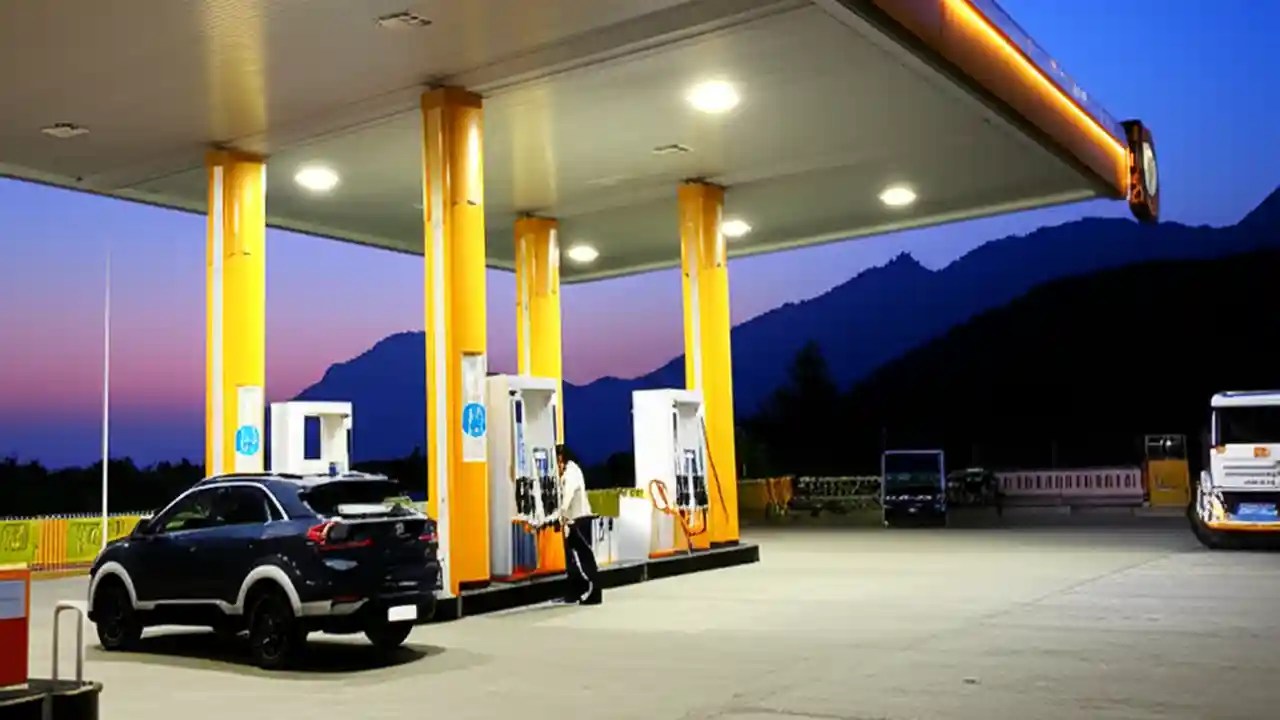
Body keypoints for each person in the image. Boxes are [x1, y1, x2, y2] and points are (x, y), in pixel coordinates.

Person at [556, 444, 601, 605]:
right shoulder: (570, 471)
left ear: (562, 458)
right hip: (573, 520)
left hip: (579, 520)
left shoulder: (571, 472)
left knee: (583, 557)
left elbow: (567, 496)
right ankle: (575, 590)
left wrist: (561, 513)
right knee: (572, 558)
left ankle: (594, 592)